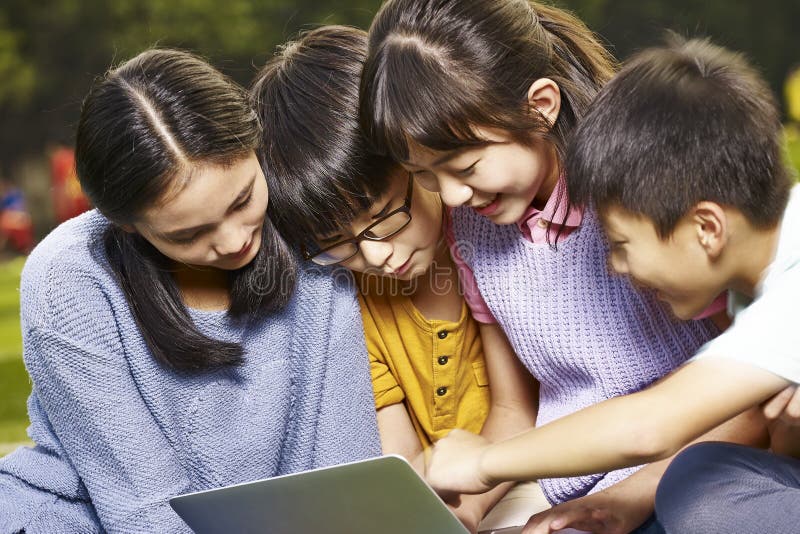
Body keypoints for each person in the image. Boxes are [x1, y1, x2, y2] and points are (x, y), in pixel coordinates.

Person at [359, 1, 767, 532]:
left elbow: (756, 395)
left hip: (701, 465)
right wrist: (464, 509)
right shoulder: (474, 229)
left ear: (540, 106)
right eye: (427, 176)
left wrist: (627, 499)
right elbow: (512, 409)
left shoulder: (647, 195)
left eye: (465, 166)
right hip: (573, 490)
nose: (453, 196)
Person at [0, 48, 380, 532]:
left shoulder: (314, 241)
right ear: (127, 226)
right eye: (187, 235)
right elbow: (142, 511)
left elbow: (345, 472)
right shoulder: (68, 278)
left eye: (242, 198)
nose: (235, 239)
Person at [251, 25, 544, 533]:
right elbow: (399, 459)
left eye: (386, 214)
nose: (377, 256)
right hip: (446, 498)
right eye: (335, 243)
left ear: (418, 158)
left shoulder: (492, 237)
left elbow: (518, 411)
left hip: (535, 469)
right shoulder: (347, 301)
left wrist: (469, 506)